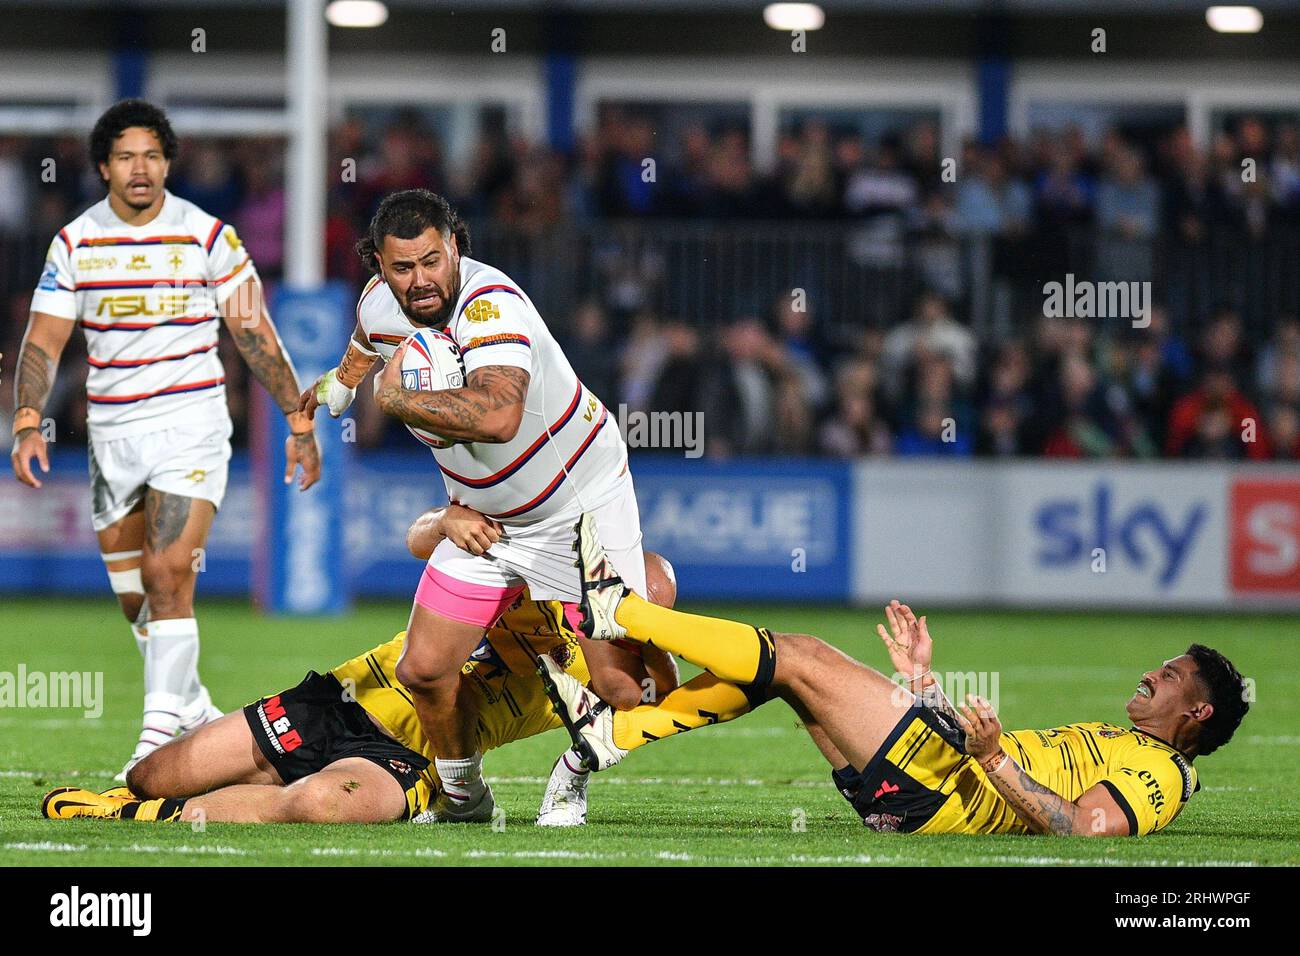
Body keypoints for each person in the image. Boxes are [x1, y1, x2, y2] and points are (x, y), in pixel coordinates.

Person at [543, 515, 1249, 836]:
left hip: (941, 791)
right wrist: (923, 687)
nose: (1154, 674)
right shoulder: (1125, 739)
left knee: (801, 653)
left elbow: (1086, 827)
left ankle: (622, 612)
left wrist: (996, 757)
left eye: (1173, 674)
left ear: (1200, 714)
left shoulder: (1161, 773)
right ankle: (615, 736)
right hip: (935, 780)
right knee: (786, 673)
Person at [296, 189, 648, 822]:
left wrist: (396, 400)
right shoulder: (381, 305)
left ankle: (575, 765)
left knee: (625, 689)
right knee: (425, 671)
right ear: (380, 266)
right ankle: (464, 796)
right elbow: (363, 349)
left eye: (433, 261)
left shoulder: (493, 310)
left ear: (454, 246)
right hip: (486, 519)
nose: (421, 280)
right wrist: (329, 393)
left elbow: (499, 416)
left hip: (580, 509)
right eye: (402, 268)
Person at [9, 99, 321, 780]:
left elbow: (253, 332)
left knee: (167, 575)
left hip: (192, 428)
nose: (140, 168)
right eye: (126, 156)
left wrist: (298, 419)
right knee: (138, 602)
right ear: (103, 166)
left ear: (168, 163)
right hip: (112, 441)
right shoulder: (76, 243)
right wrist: (29, 418)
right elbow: (44, 340)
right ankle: (199, 715)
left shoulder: (208, 237)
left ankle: (153, 746)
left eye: (152, 155)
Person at [41, 508, 686, 828]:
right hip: (347, 695)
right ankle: (150, 795)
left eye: (638, 613)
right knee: (153, 771)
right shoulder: (537, 567)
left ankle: (144, 816)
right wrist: (447, 519)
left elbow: (658, 702)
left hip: (415, 756)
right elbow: (418, 539)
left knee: (321, 804)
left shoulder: (613, 683)